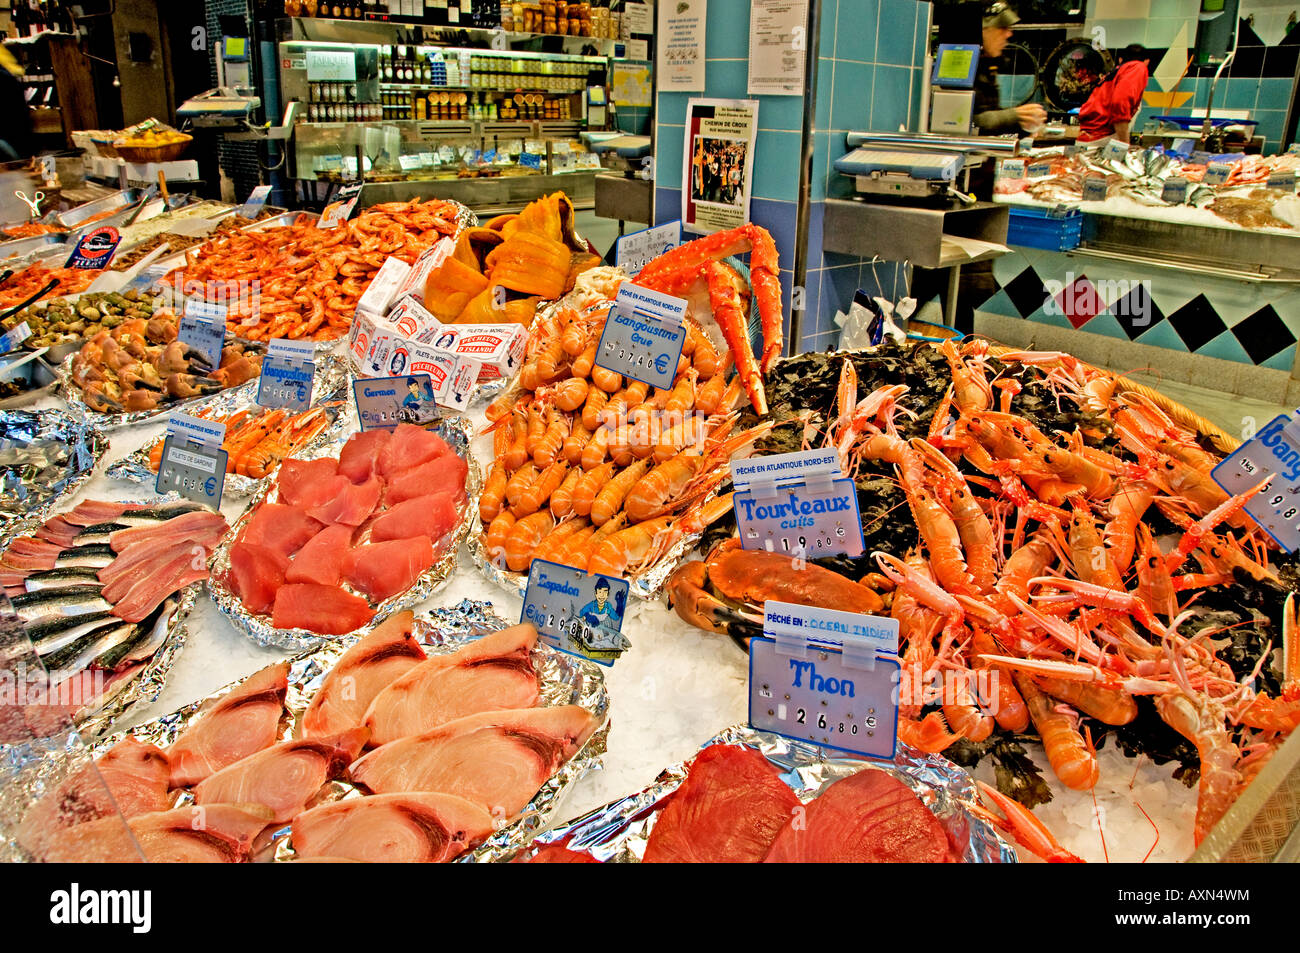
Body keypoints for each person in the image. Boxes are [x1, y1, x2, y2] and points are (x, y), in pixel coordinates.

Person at [972, 2, 1046, 137]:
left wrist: (1022, 123)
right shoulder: (963, 70)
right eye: (1002, 28)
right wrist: (1014, 116)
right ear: (983, 31)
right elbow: (964, 123)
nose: (1009, 34)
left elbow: (991, 118)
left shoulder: (988, 66)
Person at [1077, 45, 1152, 143]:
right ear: (1147, 61)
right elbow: (1120, 103)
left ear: (1121, 60)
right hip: (1103, 139)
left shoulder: (1116, 72)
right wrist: (1124, 144)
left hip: (1088, 137)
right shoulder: (1137, 67)